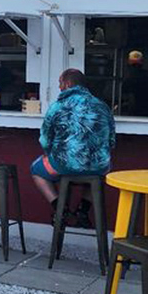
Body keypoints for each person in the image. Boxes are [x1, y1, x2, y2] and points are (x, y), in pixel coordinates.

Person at [30, 68, 116, 226]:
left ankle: (60, 209)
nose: (59, 87)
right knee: (102, 170)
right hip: (97, 167)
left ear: (68, 83)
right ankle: (83, 210)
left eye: (60, 83)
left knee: (36, 170)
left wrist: (50, 153)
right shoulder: (103, 107)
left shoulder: (57, 107)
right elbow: (111, 141)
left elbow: (45, 141)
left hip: (63, 165)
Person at [121, 50, 148, 118]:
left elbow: (130, 100)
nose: (134, 69)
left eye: (136, 66)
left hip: (140, 114)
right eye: (134, 66)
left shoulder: (130, 81)